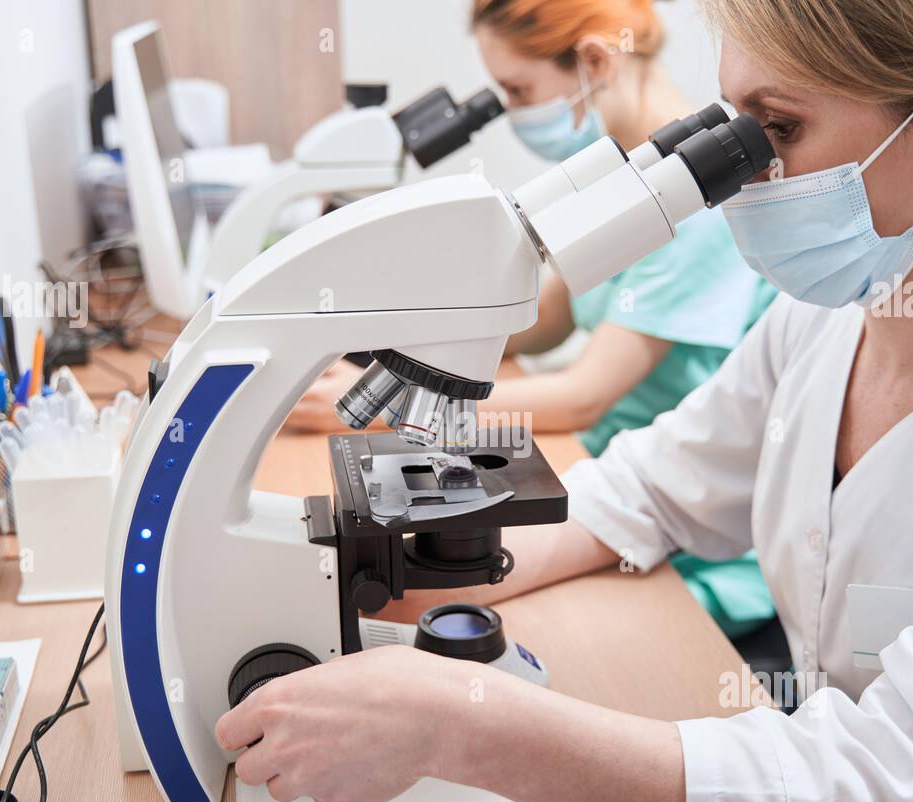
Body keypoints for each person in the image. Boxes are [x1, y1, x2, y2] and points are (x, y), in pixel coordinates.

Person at [218, 0, 913, 802]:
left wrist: (461, 718)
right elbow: (647, 487)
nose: (739, 180)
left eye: (778, 130)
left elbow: (902, 796)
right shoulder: (826, 326)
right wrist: (383, 564)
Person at [288, 0, 778, 637]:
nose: (511, 112)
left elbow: (583, 397)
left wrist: (395, 412)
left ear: (595, 60)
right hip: (608, 472)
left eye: (518, 90)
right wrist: (400, 349)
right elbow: (547, 317)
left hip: (685, 527)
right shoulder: (630, 171)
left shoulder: (693, 205)